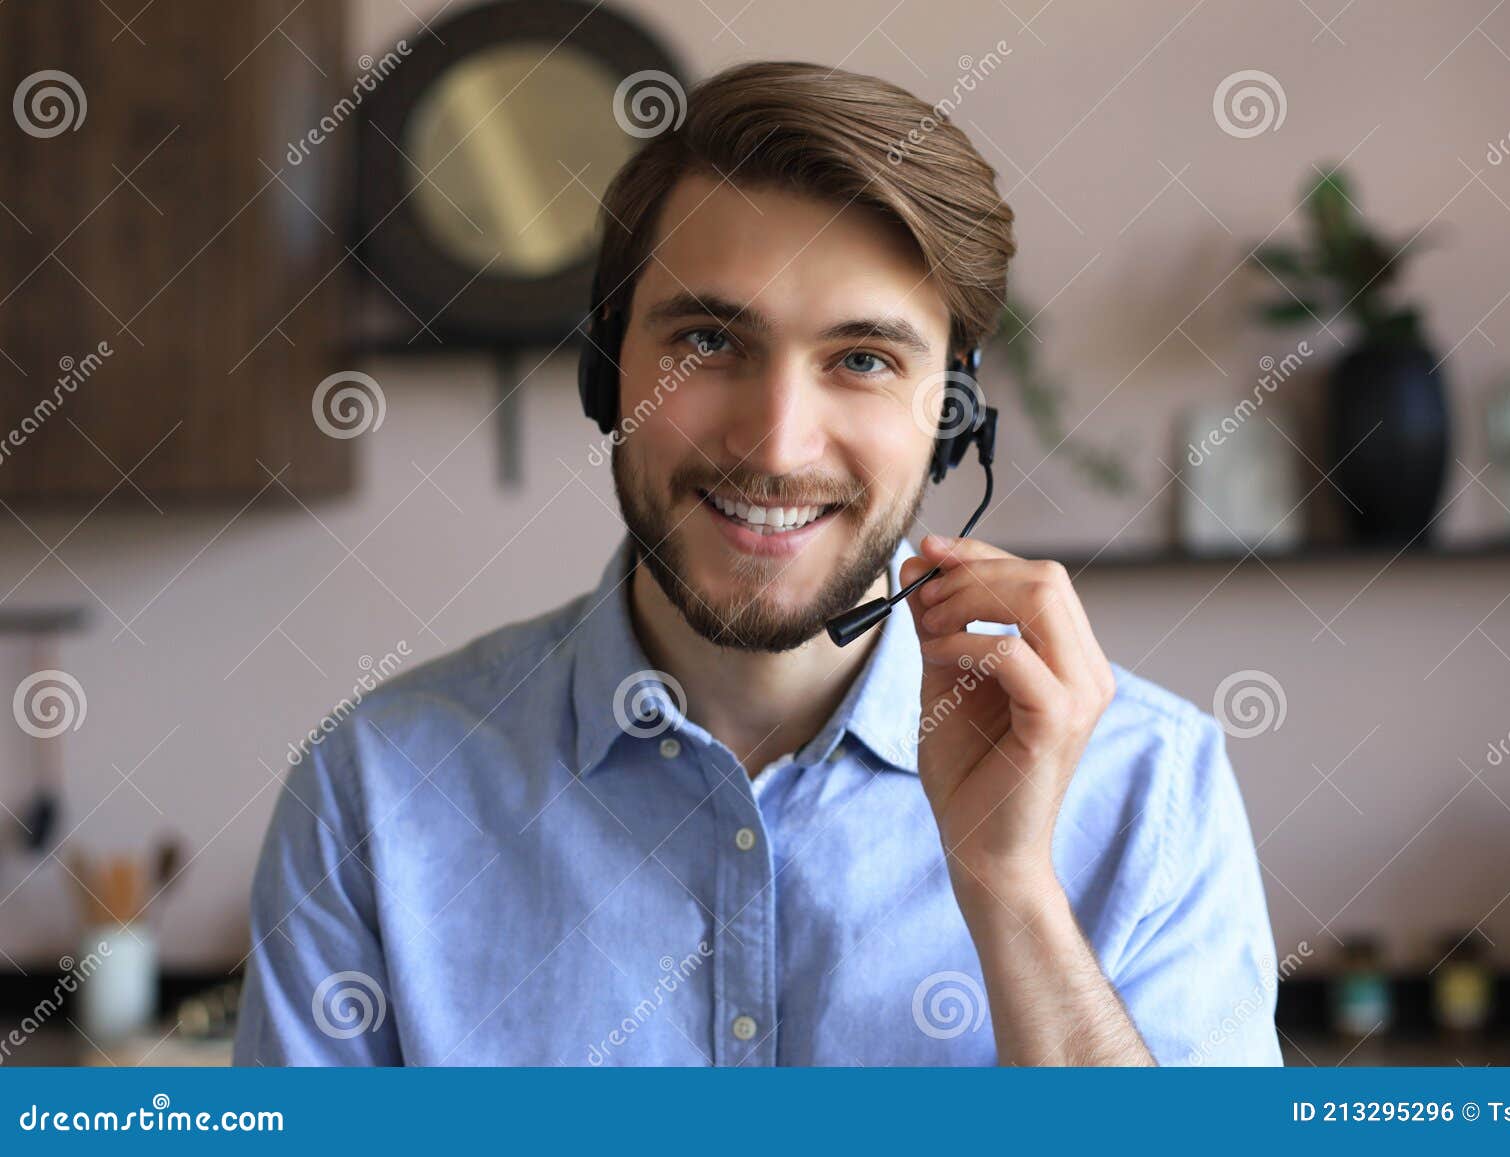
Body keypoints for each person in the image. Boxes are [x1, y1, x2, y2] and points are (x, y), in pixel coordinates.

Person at [234, 60, 1281, 1067]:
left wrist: (1010, 889)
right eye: (707, 343)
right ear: (607, 372)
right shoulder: (374, 792)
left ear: (952, 419)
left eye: (863, 360)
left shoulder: (1149, 786)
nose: (778, 446)